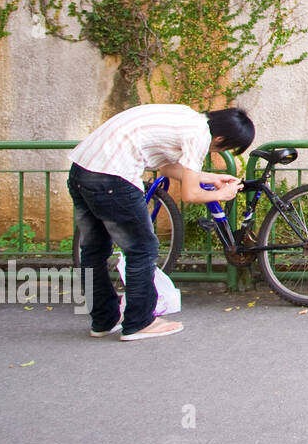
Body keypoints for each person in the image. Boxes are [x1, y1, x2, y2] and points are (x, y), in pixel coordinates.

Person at [68, 104, 254, 341]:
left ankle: (104, 320)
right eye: (224, 147)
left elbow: (165, 167)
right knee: (142, 248)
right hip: (113, 178)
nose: (217, 150)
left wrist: (210, 177)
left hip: (81, 171)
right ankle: (140, 322)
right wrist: (222, 195)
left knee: (93, 251)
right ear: (219, 138)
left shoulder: (187, 117)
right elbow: (190, 195)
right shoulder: (199, 135)